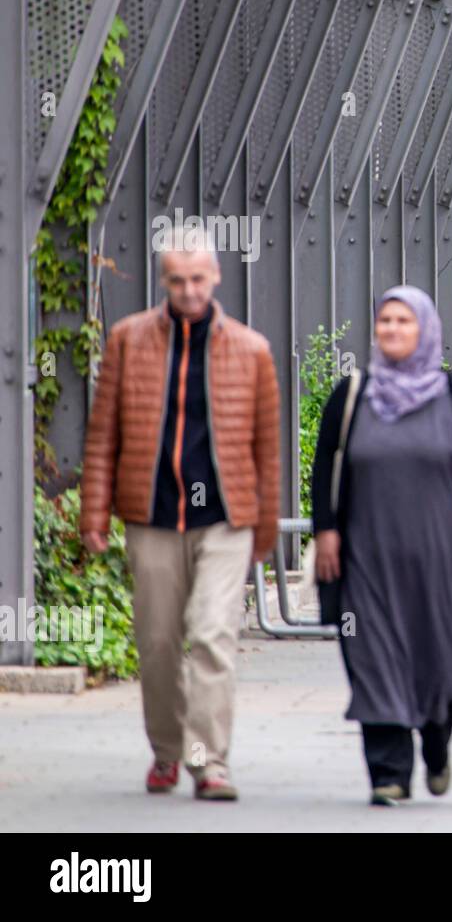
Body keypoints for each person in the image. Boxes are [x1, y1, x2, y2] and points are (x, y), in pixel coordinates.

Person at [80, 226, 280, 801]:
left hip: (224, 518)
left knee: (214, 635)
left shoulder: (251, 350)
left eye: (198, 279)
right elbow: (103, 434)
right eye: (177, 280)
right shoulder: (128, 340)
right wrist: (95, 512)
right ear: (163, 281)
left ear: (216, 276)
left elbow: (267, 449)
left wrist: (265, 528)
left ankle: (208, 761)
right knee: (160, 641)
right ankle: (168, 751)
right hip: (153, 515)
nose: (189, 291)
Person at [310, 287, 452, 806]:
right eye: (385, 320)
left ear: (425, 328)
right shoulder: (353, 394)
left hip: (441, 559)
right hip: (367, 557)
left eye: (404, 321)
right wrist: (326, 530)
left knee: (439, 661)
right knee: (372, 656)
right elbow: (325, 469)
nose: (392, 330)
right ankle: (388, 771)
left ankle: (436, 737)